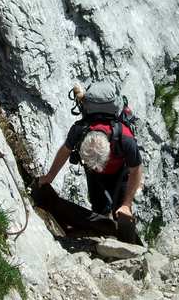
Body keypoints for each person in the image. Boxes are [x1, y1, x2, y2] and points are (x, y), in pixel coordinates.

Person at [38, 83, 143, 220]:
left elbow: (136, 169)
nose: (98, 168)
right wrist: (49, 176)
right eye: (91, 164)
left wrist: (127, 204)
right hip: (94, 176)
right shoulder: (79, 130)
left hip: (120, 172)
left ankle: (120, 219)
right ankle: (103, 222)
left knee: (121, 209)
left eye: (99, 165)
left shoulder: (125, 139)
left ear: (109, 151)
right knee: (98, 206)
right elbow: (65, 151)